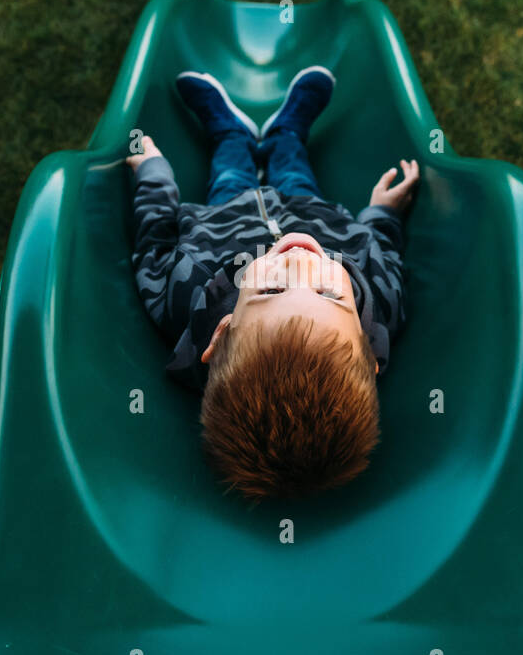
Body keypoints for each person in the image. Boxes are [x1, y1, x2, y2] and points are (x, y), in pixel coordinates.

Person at [127, 66, 418, 498]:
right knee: (295, 172)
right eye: (329, 294)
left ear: (221, 335)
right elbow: (383, 254)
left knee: (228, 174)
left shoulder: (186, 300)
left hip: (226, 212)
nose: (299, 264)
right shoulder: (382, 304)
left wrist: (153, 175)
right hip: (313, 209)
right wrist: (381, 213)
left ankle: (230, 134)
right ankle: (286, 132)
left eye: (270, 291)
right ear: (368, 346)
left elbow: (153, 246)